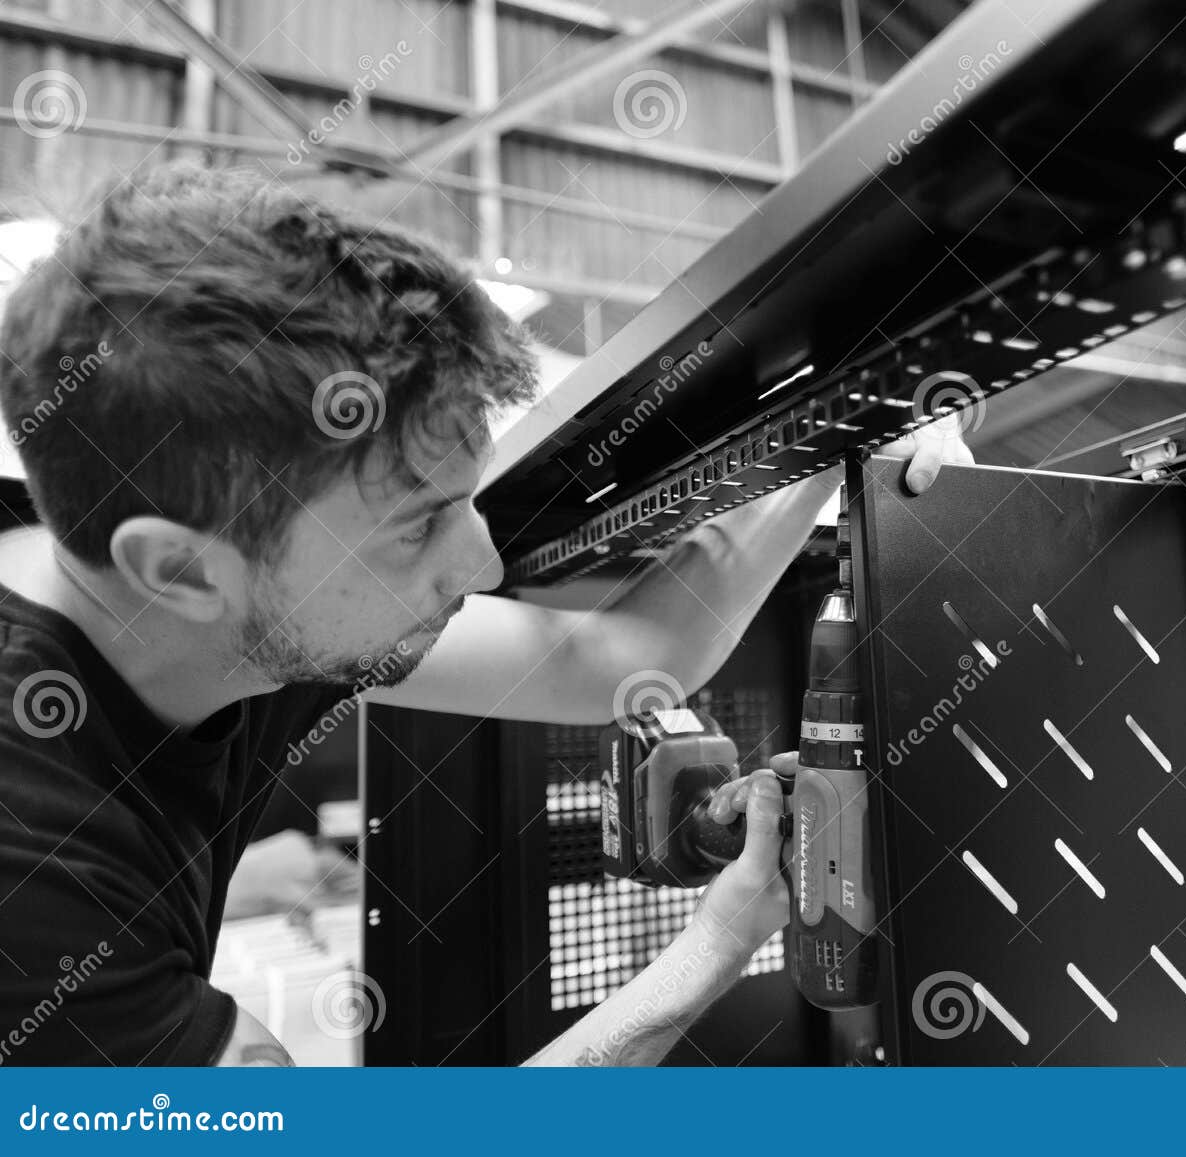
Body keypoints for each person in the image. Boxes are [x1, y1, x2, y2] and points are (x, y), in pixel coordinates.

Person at [0, 164, 973, 1066]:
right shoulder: (32, 876)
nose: (482, 562)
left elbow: (613, 659)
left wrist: (845, 419)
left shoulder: (204, 596)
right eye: (417, 526)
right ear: (179, 566)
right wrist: (715, 944)